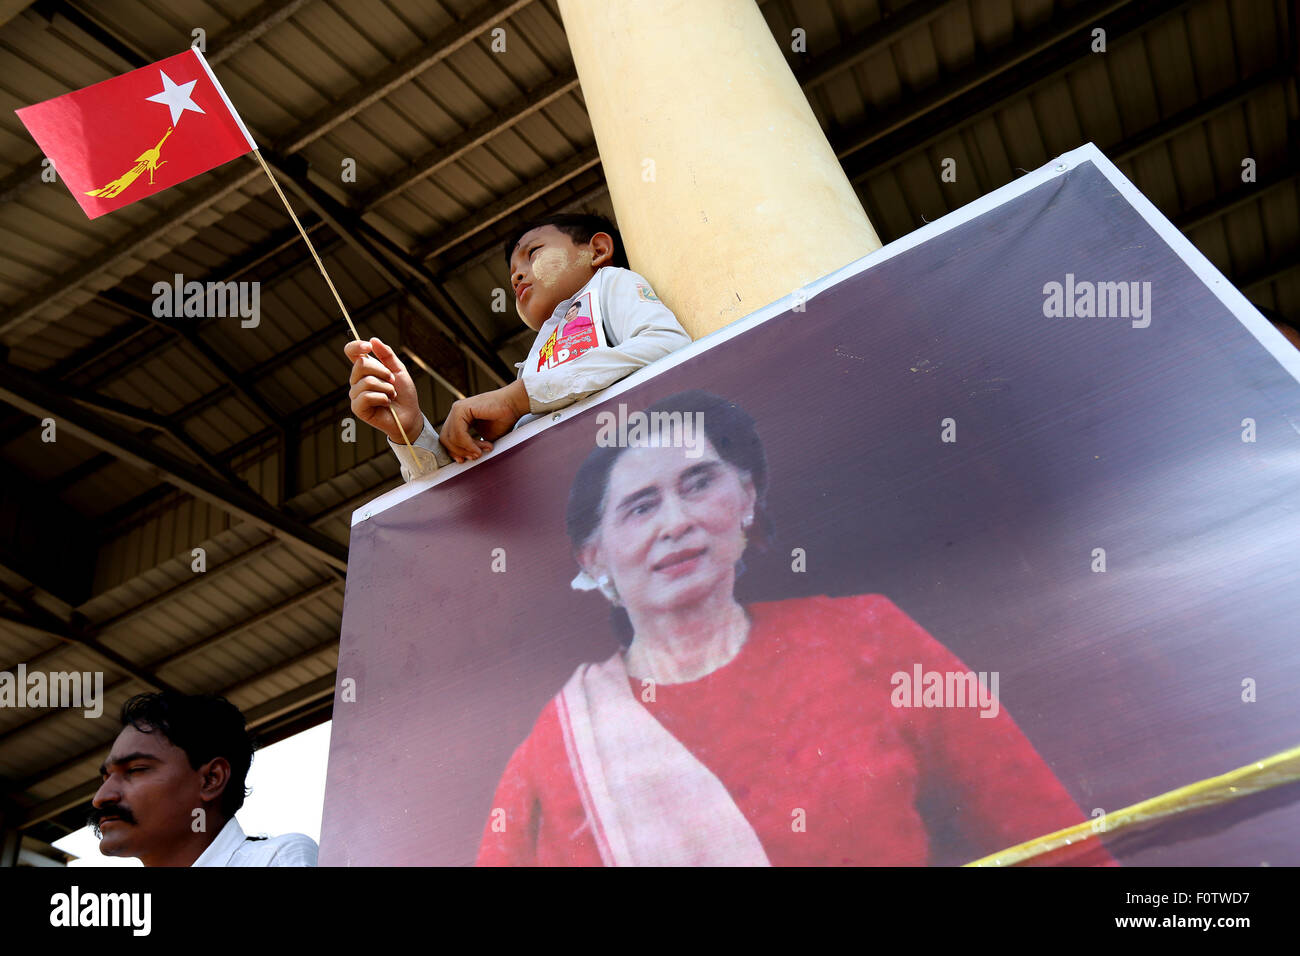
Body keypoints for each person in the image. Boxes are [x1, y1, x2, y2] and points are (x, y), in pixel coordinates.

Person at [476, 390, 1116, 866]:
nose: (675, 522)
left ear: (747, 498)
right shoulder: (562, 745)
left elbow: (1050, 844)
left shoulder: (868, 637)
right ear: (595, 557)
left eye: (698, 484)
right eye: (641, 507)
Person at [344, 213, 692, 479]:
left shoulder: (609, 283)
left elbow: (668, 347)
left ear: (597, 251)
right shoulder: (533, 365)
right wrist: (410, 432)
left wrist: (516, 398)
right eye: (512, 274)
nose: (516, 276)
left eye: (533, 254)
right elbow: (470, 491)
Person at [90, 691, 317, 867]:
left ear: (211, 779)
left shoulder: (274, 859)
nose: (101, 798)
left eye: (136, 770)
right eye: (106, 777)